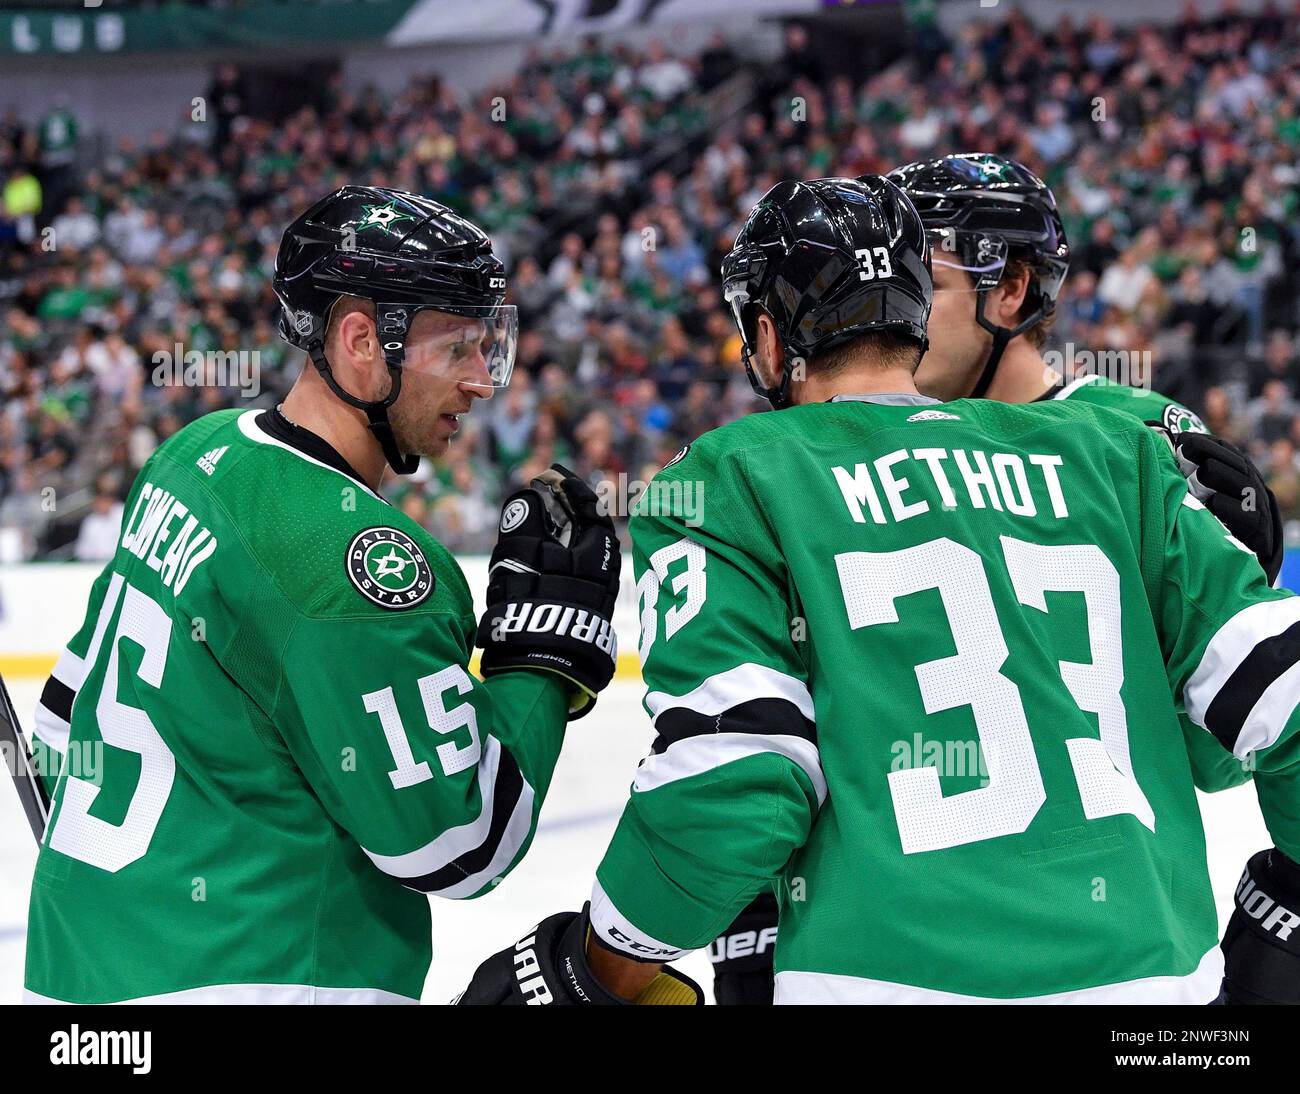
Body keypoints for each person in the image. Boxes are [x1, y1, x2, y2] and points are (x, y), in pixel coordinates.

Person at [458, 175, 1300, 1005]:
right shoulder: (1118, 451)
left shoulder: (735, 474)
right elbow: (1276, 703)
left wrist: (595, 963)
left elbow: (736, 786)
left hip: (881, 974)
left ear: (768, 333)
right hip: (1157, 984)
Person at [710, 153, 1286, 1005]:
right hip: (876, 913)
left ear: (1009, 291)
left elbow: (1213, 754)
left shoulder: (1134, 444)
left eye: (919, 286)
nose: (885, 313)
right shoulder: (831, 444)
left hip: (1077, 934)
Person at [24, 186, 620, 1004]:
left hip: (76, 982)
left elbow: (60, 729)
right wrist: (544, 654)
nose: (483, 381)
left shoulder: (191, 456)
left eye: (489, 346)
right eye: (456, 349)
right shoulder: (356, 565)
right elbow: (458, 841)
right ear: (359, 341)